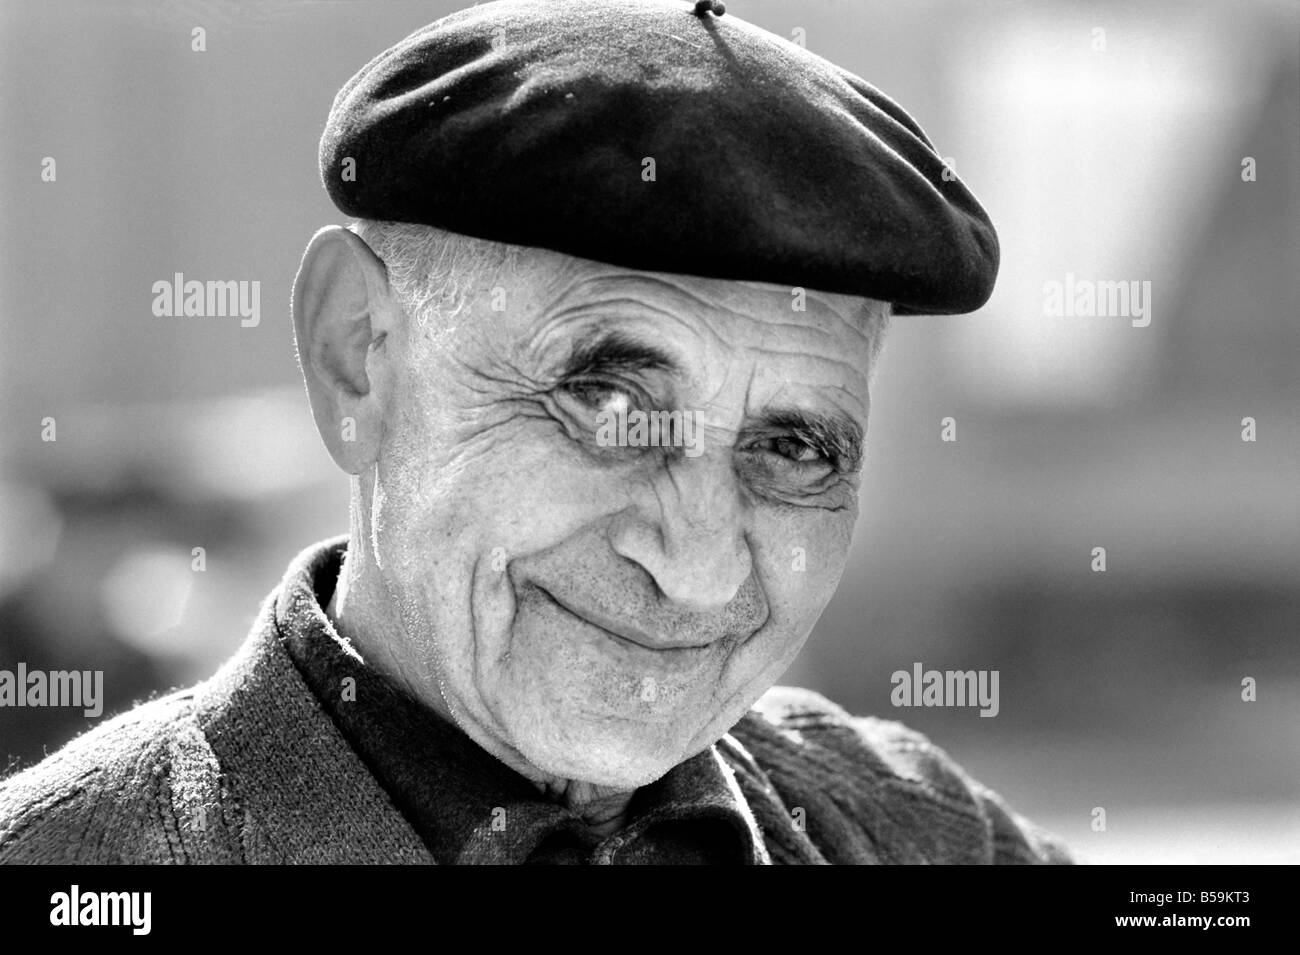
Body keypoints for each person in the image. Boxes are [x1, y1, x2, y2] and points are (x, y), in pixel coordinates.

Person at [0, 0, 1070, 864]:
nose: (697, 567)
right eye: (606, 404)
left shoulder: (915, 833)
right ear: (355, 356)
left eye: (792, 450)